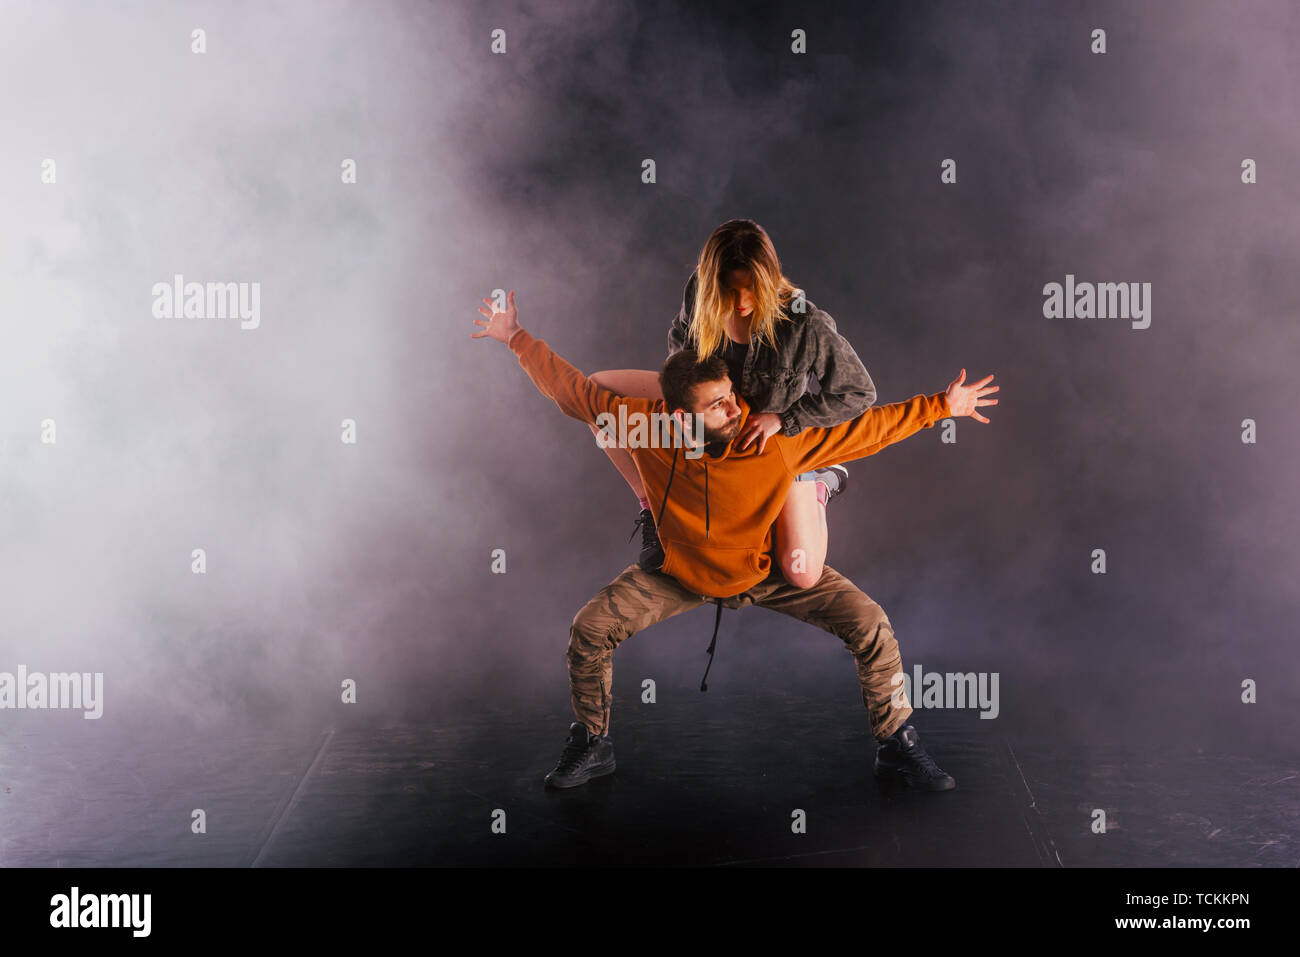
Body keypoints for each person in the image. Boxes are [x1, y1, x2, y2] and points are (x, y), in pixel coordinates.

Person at [471, 289, 999, 792]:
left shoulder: (768, 442)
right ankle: (591, 741)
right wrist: (516, 337)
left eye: (731, 396)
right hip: (681, 574)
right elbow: (571, 389)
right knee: (590, 629)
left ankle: (897, 744)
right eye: (718, 405)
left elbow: (866, 431)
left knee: (871, 625)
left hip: (765, 572)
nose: (734, 409)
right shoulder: (644, 427)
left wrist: (940, 407)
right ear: (679, 418)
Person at [588, 219, 876, 588]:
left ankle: (823, 481)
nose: (740, 303)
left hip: (772, 439)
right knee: (596, 391)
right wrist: (689, 398)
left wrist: (782, 420)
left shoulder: (806, 322)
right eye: (729, 289)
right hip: (710, 411)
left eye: (752, 289)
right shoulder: (699, 292)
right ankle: (652, 508)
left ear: (770, 280)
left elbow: (858, 393)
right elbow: (680, 339)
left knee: (801, 572)